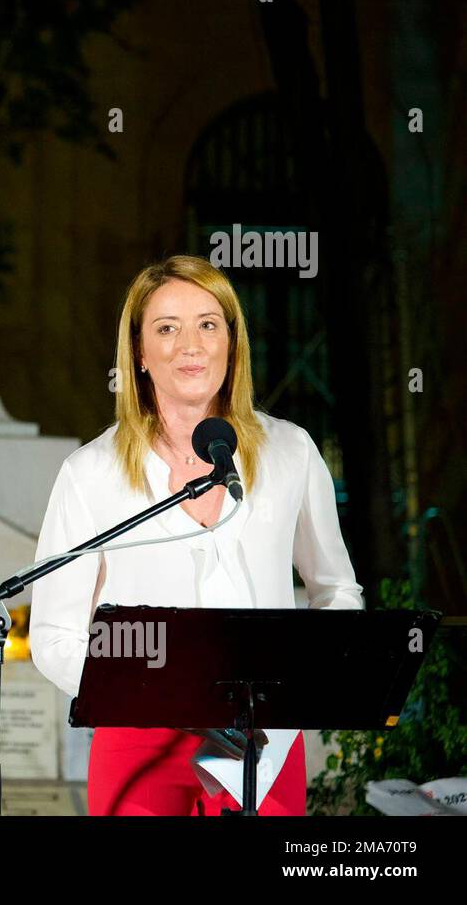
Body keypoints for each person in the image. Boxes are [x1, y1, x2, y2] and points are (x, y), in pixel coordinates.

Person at [29, 255, 364, 816]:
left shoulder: (291, 452)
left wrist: (301, 683)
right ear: (138, 352)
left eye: (209, 324)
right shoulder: (91, 473)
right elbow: (54, 636)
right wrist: (146, 694)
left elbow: (337, 590)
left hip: (263, 739)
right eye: (167, 328)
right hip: (138, 739)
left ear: (232, 342)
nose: (191, 344)